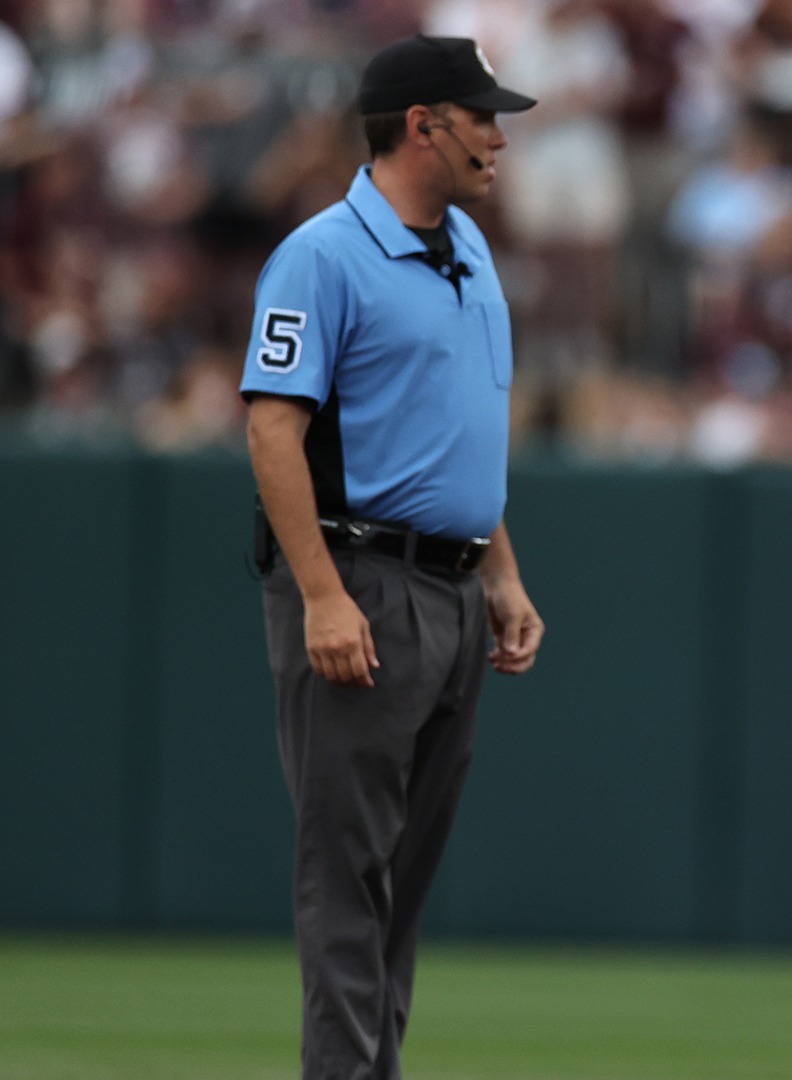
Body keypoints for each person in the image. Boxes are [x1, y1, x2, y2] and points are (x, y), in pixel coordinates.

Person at [239, 35, 544, 1080]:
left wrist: (500, 570)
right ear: (423, 125)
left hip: (455, 588)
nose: (499, 138)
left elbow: (464, 427)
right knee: (348, 876)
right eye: (483, 117)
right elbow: (272, 430)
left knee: (402, 883)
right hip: (360, 582)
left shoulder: (469, 245)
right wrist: (322, 597)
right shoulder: (322, 254)